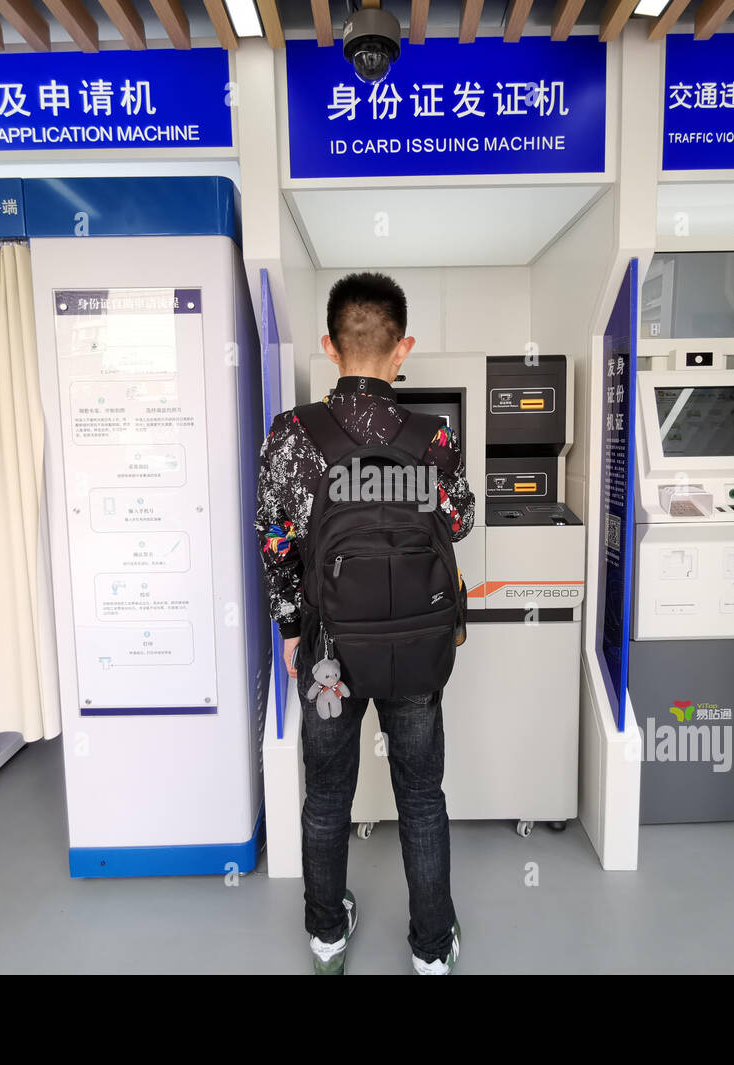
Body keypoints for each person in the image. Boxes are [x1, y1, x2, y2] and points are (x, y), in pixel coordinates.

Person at [255, 272, 475, 975]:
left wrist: (292, 629)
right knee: (421, 793)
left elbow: (276, 540)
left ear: (329, 345)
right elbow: (460, 521)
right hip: (418, 645)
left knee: (326, 794)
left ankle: (326, 934)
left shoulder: (293, 435)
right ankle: (431, 946)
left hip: (329, 649)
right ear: (402, 347)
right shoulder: (432, 437)